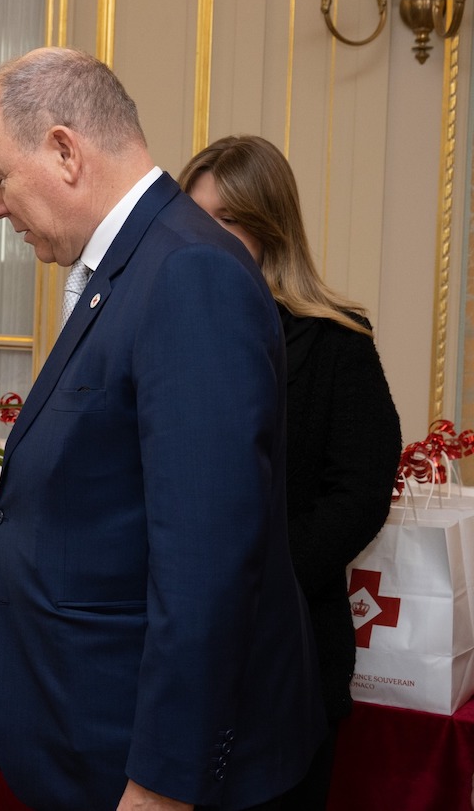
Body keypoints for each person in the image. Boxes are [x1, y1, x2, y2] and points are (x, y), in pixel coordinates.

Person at [0, 46, 327, 811]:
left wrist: (163, 784)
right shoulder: (129, 267)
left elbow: (207, 564)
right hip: (88, 741)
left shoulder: (190, 273)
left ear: (64, 150)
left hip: (145, 773)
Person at [179, 134, 401, 809]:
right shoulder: (172, 332)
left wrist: (258, 582)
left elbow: (359, 495)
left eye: (224, 220)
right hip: (181, 652)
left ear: (271, 228)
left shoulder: (338, 339)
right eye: (194, 219)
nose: (203, 237)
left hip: (291, 647)